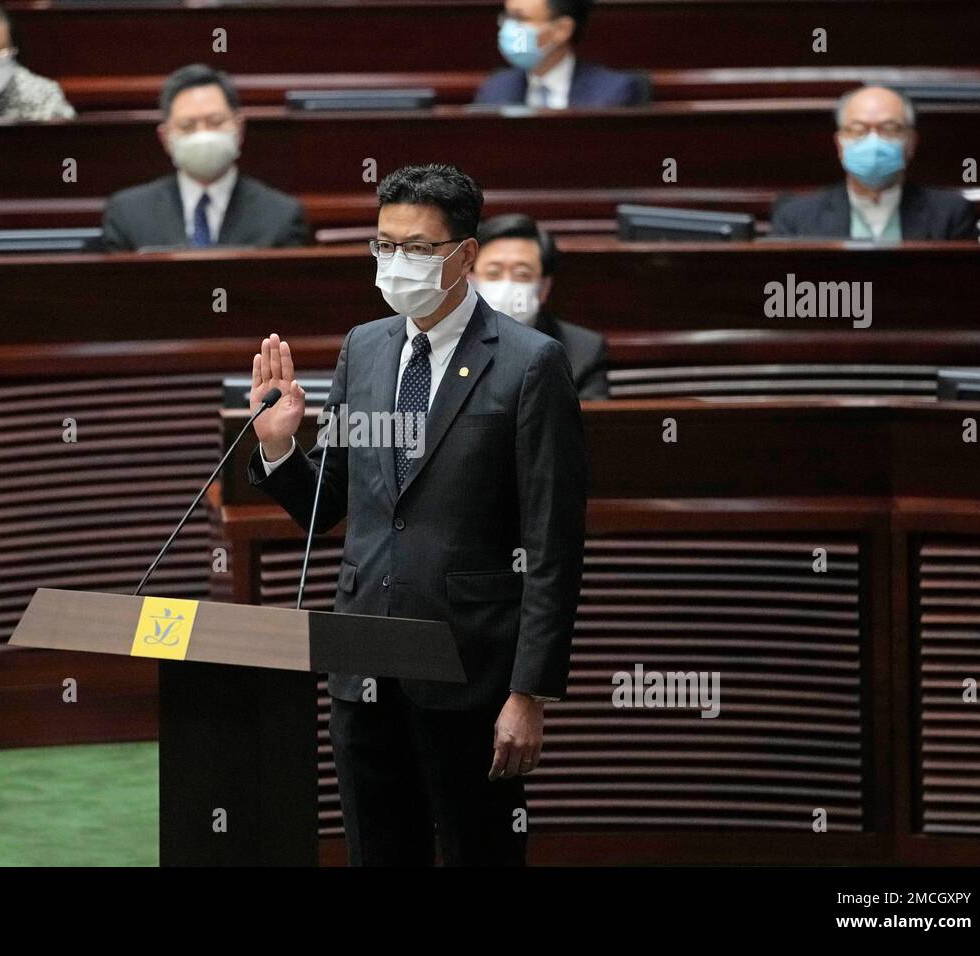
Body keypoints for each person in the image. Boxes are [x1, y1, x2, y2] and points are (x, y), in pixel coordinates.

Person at [246, 164, 586, 865]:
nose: (397, 263)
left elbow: (553, 545)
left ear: (465, 255)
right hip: (362, 664)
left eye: (418, 248)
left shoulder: (529, 364)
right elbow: (332, 504)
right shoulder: (363, 349)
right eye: (384, 244)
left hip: (470, 670)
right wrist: (280, 448)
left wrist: (529, 692)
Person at [102, 64, 309, 250]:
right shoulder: (128, 214)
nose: (203, 135)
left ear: (239, 129)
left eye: (216, 122)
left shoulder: (281, 216)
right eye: (187, 126)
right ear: (165, 139)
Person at [770, 86, 978, 240]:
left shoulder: (951, 213)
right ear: (840, 145)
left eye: (889, 128)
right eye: (858, 130)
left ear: (911, 143)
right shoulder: (796, 216)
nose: (874, 142)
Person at [472, 214, 608, 398]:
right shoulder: (445, 339)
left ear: (544, 287)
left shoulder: (583, 351)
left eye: (522, 274)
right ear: (469, 280)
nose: (506, 285)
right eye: (493, 273)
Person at [473, 0, 647, 109]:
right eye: (508, 17)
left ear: (562, 30)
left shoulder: (613, 93)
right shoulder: (494, 90)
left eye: (520, 19)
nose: (509, 28)